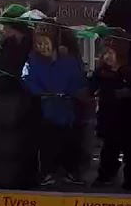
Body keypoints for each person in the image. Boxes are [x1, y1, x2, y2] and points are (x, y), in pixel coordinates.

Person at [22, 24, 88, 186]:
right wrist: (41, 93)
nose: (42, 47)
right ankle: (46, 173)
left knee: (71, 142)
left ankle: (72, 172)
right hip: (47, 110)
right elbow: (27, 78)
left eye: (45, 43)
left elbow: (78, 80)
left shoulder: (69, 61)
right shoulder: (33, 61)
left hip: (68, 110)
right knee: (47, 143)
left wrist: (72, 93)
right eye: (38, 44)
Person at [90, 34, 131, 190]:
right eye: (104, 53)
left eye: (111, 52)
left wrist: (130, 92)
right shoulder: (101, 72)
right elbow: (92, 88)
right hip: (108, 117)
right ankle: (105, 176)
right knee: (109, 150)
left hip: (128, 118)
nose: (107, 56)